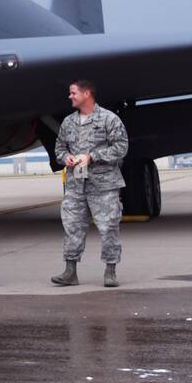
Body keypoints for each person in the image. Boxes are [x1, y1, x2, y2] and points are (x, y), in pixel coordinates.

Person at [52, 79, 129, 288]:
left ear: (87, 94)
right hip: (76, 185)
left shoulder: (108, 119)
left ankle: (110, 271)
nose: (70, 96)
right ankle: (70, 272)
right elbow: (59, 148)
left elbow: (121, 147)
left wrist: (92, 157)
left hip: (104, 185)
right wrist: (65, 157)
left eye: (73, 93)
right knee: (72, 227)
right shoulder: (68, 122)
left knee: (109, 227)